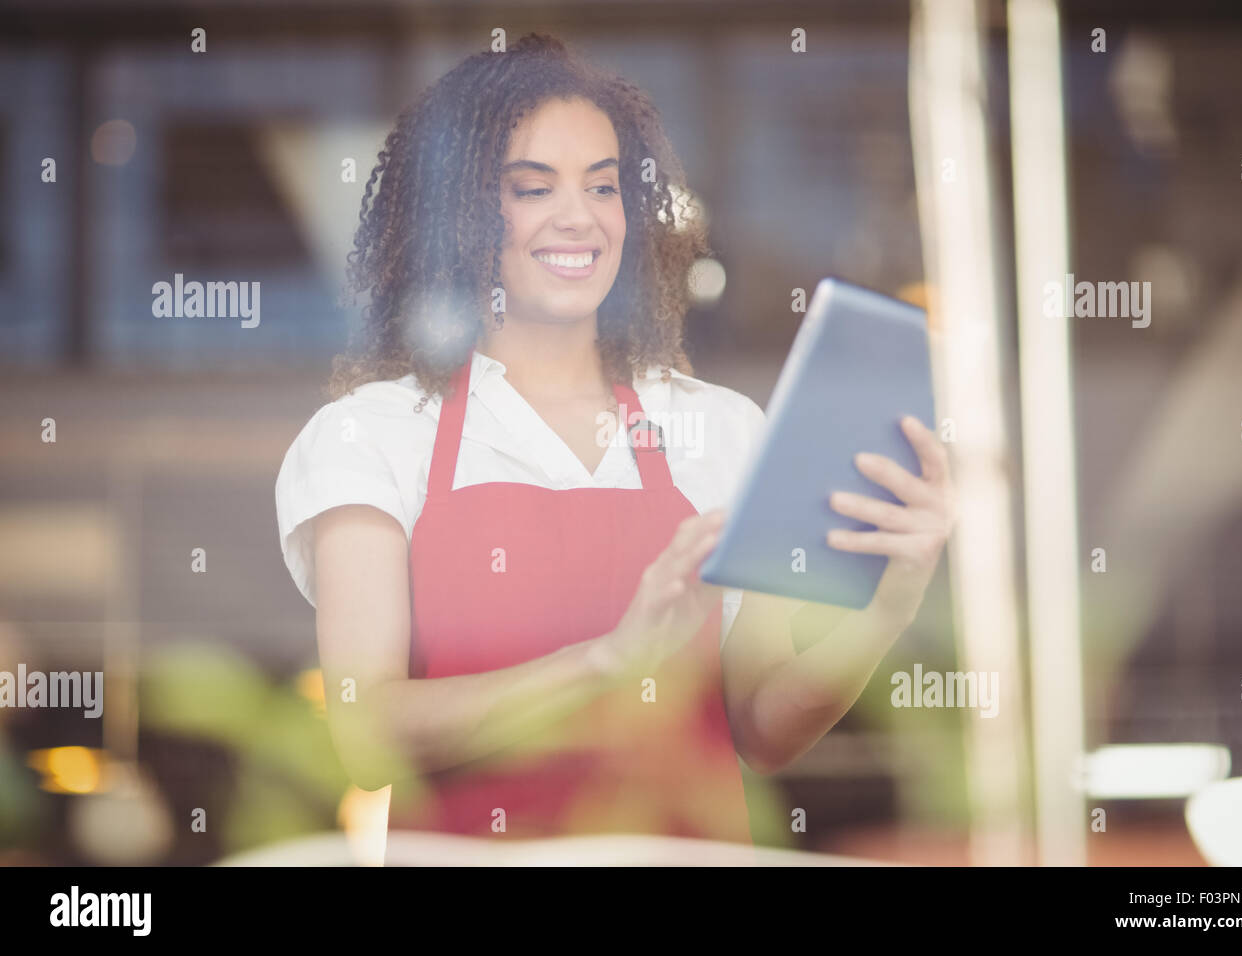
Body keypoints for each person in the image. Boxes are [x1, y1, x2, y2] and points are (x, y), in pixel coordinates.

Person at [275, 33, 954, 849]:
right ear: (461, 215)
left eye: (603, 186)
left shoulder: (720, 430)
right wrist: (608, 660)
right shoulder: (377, 435)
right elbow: (366, 735)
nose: (580, 217)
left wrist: (888, 605)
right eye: (534, 188)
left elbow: (764, 730)